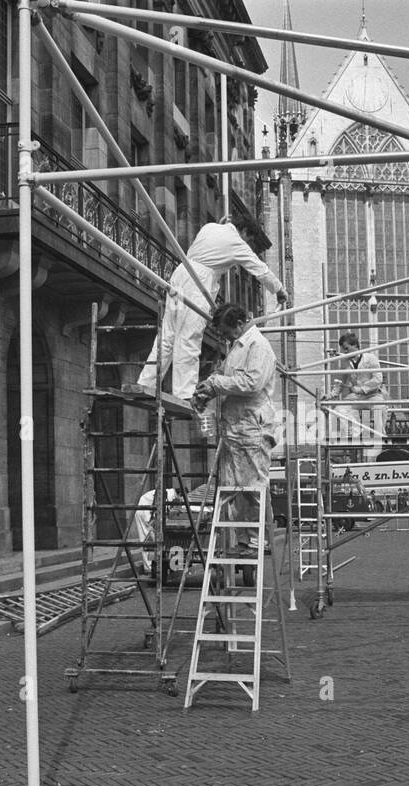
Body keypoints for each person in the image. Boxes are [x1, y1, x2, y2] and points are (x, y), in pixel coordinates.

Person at [136, 217, 287, 401]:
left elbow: (216, 242)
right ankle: (184, 392)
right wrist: (278, 289)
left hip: (180, 274)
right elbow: (259, 269)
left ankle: (146, 382)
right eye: (248, 240)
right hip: (198, 281)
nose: (246, 243)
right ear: (245, 232)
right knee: (189, 337)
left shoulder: (209, 228)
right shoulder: (236, 242)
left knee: (167, 336)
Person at [192, 303, 277, 557]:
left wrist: (216, 384)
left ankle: (259, 540)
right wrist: (207, 387)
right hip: (236, 427)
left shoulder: (258, 345)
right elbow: (223, 376)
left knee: (252, 485)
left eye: (226, 330)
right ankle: (246, 539)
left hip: (252, 425)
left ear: (239, 324)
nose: (225, 336)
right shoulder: (237, 348)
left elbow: (252, 383)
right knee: (236, 486)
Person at [328, 332, 387, 447]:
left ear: (355, 346)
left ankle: (381, 438)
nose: (344, 352)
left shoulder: (371, 358)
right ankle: (356, 432)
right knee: (339, 409)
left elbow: (378, 378)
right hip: (357, 397)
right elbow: (340, 383)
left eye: (346, 349)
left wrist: (362, 389)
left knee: (379, 409)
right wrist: (330, 395)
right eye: (343, 350)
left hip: (373, 395)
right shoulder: (345, 363)